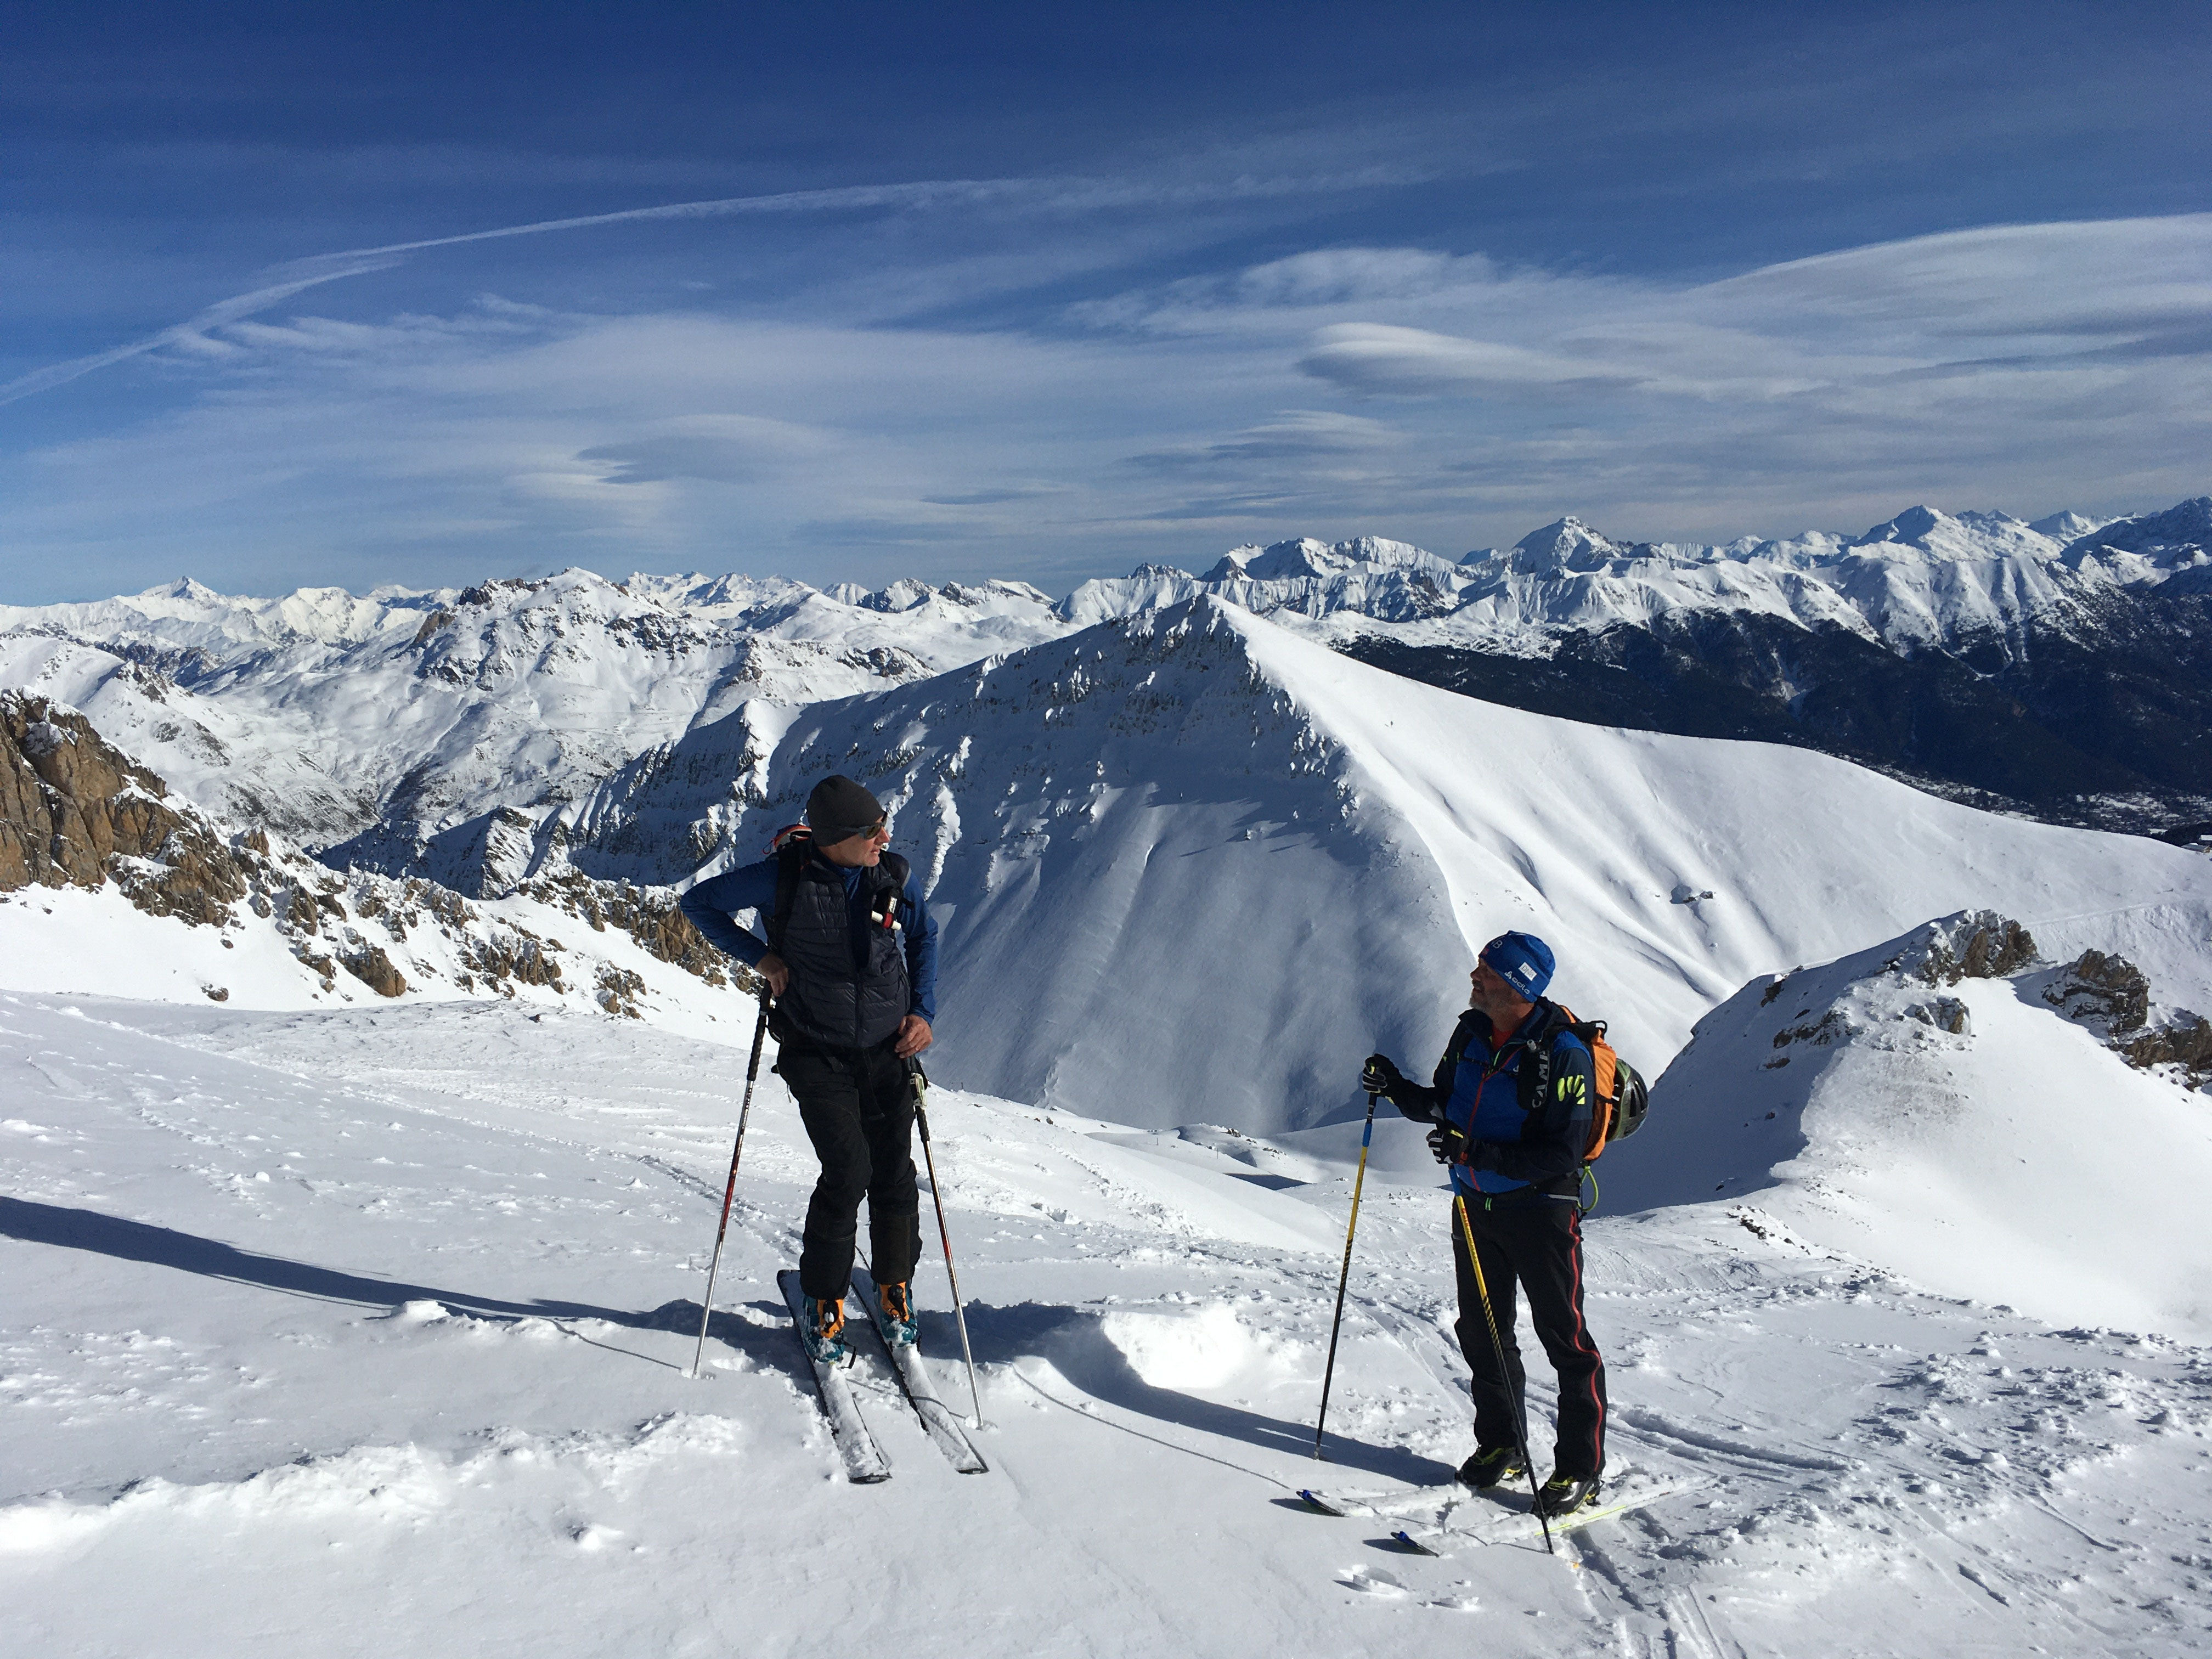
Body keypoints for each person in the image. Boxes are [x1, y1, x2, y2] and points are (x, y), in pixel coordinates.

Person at [679, 775, 938, 1363]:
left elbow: (925, 937)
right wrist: (762, 957)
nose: (885, 837)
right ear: (837, 838)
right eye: (872, 831)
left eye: (882, 827)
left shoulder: (892, 875)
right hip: (815, 1049)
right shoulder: (783, 878)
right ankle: (824, 1298)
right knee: (849, 1169)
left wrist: (922, 1012)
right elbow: (698, 904)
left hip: (888, 1047)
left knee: (894, 1173)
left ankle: (894, 1286)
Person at [1359, 930, 1607, 1519]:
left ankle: (1579, 1469)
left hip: (1541, 1209)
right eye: (1479, 969)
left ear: (1518, 986)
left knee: (1566, 1342)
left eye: (1488, 973)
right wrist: (1393, 1086)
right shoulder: (1471, 1033)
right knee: (1483, 1331)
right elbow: (1443, 1105)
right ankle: (1503, 1444)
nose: (1475, 978)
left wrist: (1477, 1155)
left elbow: (1562, 1154)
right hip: (1474, 1205)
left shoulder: (1561, 1052)